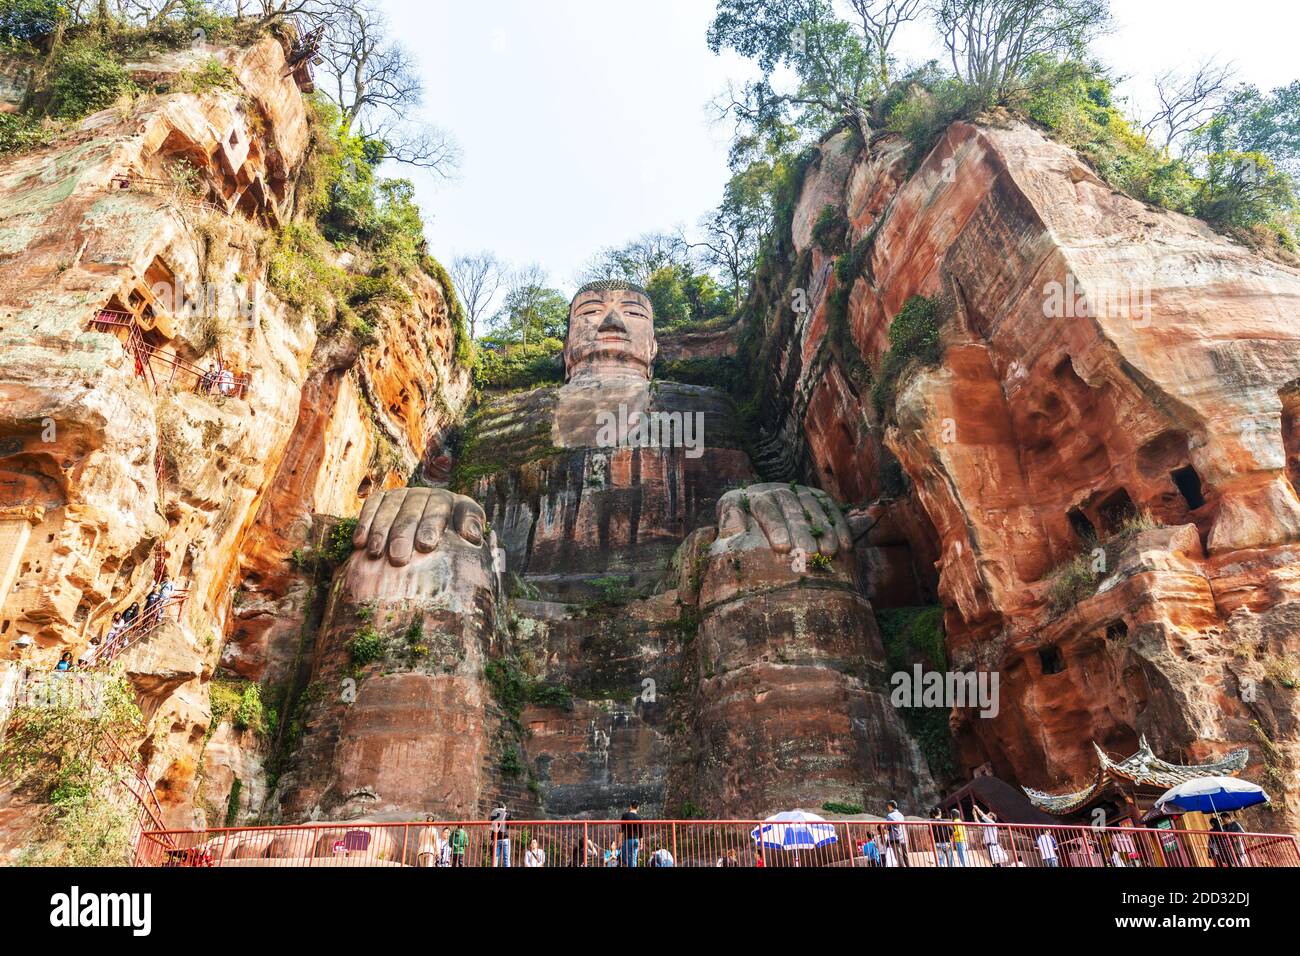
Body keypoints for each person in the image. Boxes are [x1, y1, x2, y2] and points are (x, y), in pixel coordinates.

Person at [884, 800, 909, 867]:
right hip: (903, 838)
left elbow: (886, 827)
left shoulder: (890, 815)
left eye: (888, 806)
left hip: (895, 838)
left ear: (890, 806)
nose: (888, 808)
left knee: (898, 856)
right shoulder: (901, 815)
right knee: (906, 856)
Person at [620, 800, 642, 868]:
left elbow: (621, 830)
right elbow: (640, 832)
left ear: (630, 806)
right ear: (638, 808)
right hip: (636, 840)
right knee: (634, 858)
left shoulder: (625, 815)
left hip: (628, 839)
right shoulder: (638, 818)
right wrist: (641, 843)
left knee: (625, 856)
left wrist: (620, 841)